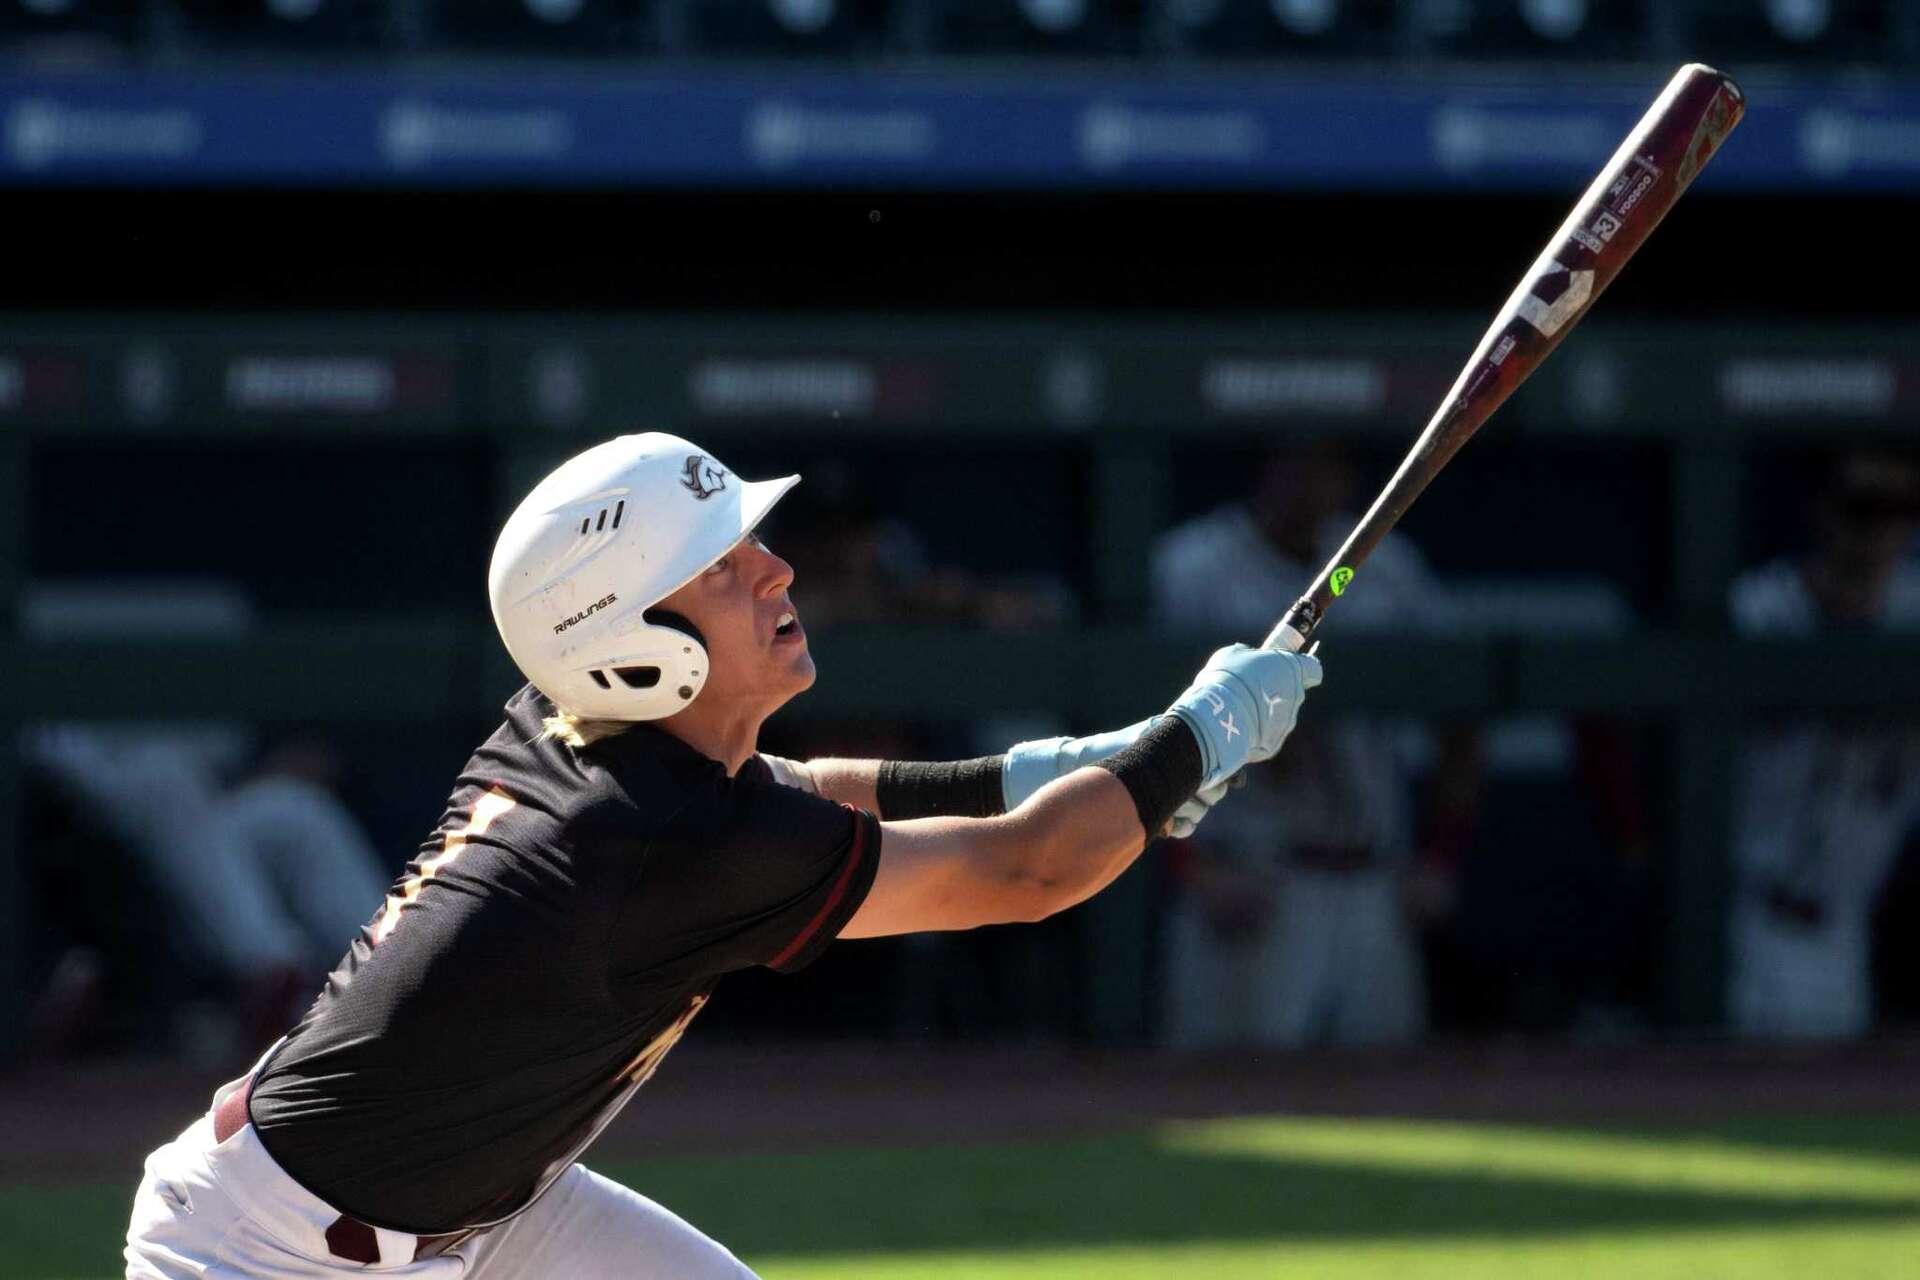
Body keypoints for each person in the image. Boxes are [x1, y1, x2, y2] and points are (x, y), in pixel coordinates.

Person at [123, 432, 1322, 1279]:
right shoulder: (660, 834)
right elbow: (1030, 872)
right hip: (259, 1256)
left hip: (478, 1210)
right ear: (629, 642)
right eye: (719, 565)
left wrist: (1065, 764)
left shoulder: (579, 726)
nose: (776, 569)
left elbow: (800, 790)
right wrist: (1200, 735)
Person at [1151, 445, 1477, 1048]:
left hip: (1372, 881)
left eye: (1328, 462)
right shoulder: (1193, 567)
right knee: (1227, 1094)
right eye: (1294, 458)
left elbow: (1463, 712)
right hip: (1254, 878)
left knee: (1392, 1096)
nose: (1310, 481)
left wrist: (1440, 858)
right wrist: (1192, 873)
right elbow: (1143, 738)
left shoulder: (1389, 567)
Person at [1728, 449, 1920, 1040]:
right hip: (1748, 922)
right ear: (1825, 513)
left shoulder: (1913, 615)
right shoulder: (1758, 612)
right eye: (1864, 509)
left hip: (1847, 931)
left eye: (1899, 511)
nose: (1879, 529)